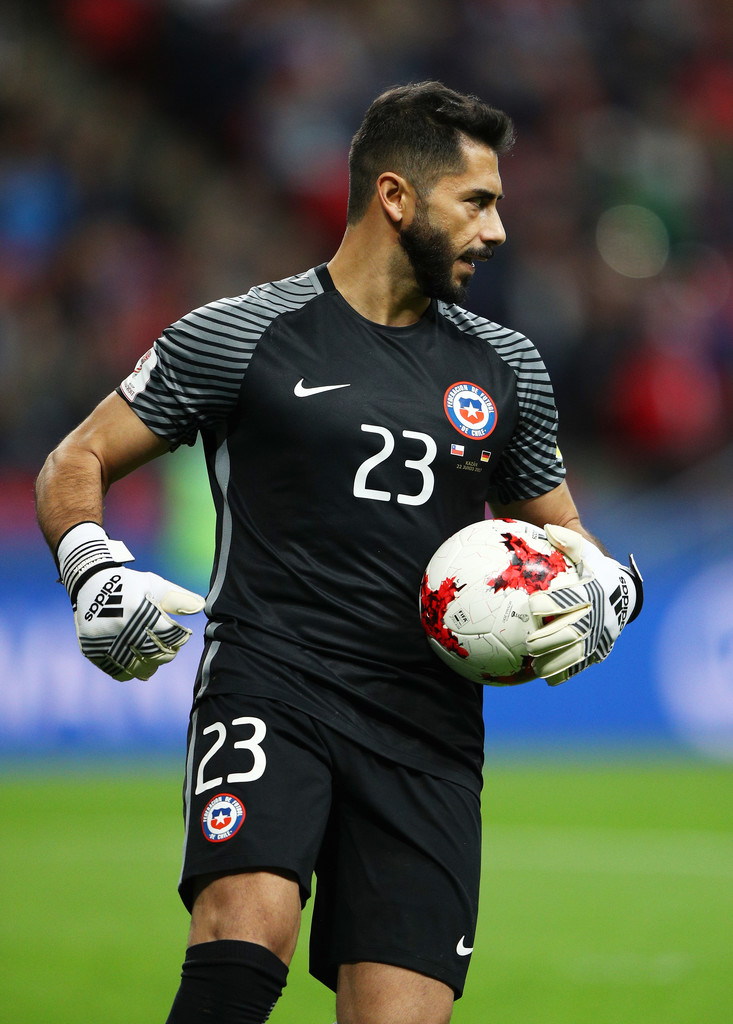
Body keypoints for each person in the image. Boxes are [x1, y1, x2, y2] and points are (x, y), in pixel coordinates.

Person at [35, 81, 643, 1024]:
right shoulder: (242, 334)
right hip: (274, 681)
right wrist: (90, 568)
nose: (497, 233)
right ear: (395, 198)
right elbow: (74, 458)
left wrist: (613, 593)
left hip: (428, 729)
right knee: (245, 926)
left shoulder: (506, 365)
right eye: (476, 203)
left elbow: (571, 543)